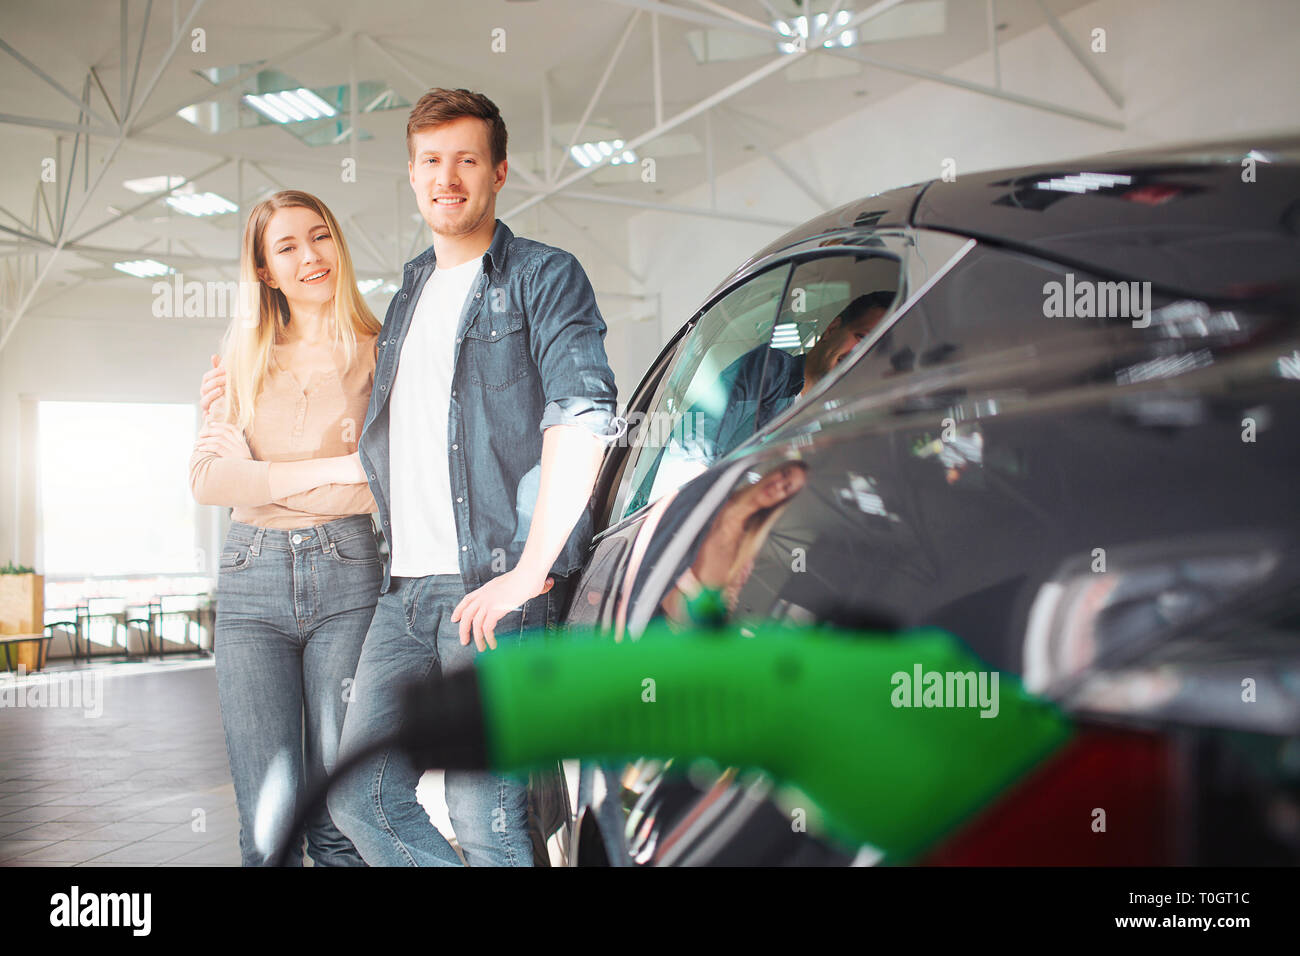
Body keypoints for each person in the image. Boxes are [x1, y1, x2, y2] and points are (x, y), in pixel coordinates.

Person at [319, 88, 623, 867]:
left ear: (498, 172)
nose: (445, 177)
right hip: (406, 591)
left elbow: (584, 411)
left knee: (483, 811)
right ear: (412, 173)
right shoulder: (410, 290)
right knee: (361, 795)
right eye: (429, 161)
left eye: (465, 160)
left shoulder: (544, 277)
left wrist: (529, 570)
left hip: (495, 583)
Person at [189, 189, 382, 866]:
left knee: (341, 815)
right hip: (250, 583)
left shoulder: (379, 350)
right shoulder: (239, 357)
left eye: (319, 236)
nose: (310, 256)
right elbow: (209, 481)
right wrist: (333, 468)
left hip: (349, 577)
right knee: (267, 829)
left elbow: (381, 484)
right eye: (288, 246)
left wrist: (263, 475)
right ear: (265, 270)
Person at [688, 292, 895, 464]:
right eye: (863, 338)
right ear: (832, 329)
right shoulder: (770, 370)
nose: (862, 355)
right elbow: (695, 446)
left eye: (877, 352)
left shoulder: (847, 421)